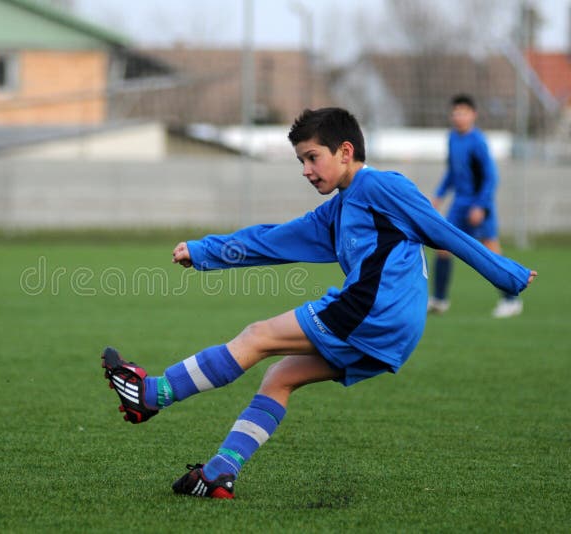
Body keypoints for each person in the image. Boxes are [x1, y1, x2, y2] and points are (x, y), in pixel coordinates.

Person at [101, 107, 536, 499]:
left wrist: (509, 275)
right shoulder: (339, 208)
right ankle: (220, 472)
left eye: (313, 157)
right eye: (300, 161)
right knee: (280, 376)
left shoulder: (380, 186)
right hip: (393, 330)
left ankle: (152, 394)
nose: (307, 170)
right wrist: (206, 252)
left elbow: (445, 233)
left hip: (373, 311)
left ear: (345, 151)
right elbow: (274, 240)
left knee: (258, 336)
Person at [428, 94, 521, 318]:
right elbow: (451, 172)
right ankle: (440, 300)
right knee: (442, 245)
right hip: (460, 204)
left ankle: (511, 301)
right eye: (455, 113)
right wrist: (438, 195)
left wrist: (480, 206)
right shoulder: (451, 138)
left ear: (473, 115)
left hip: (480, 203)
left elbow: (490, 177)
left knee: (491, 249)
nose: (459, 117)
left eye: (463, 113)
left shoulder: (477, 141)